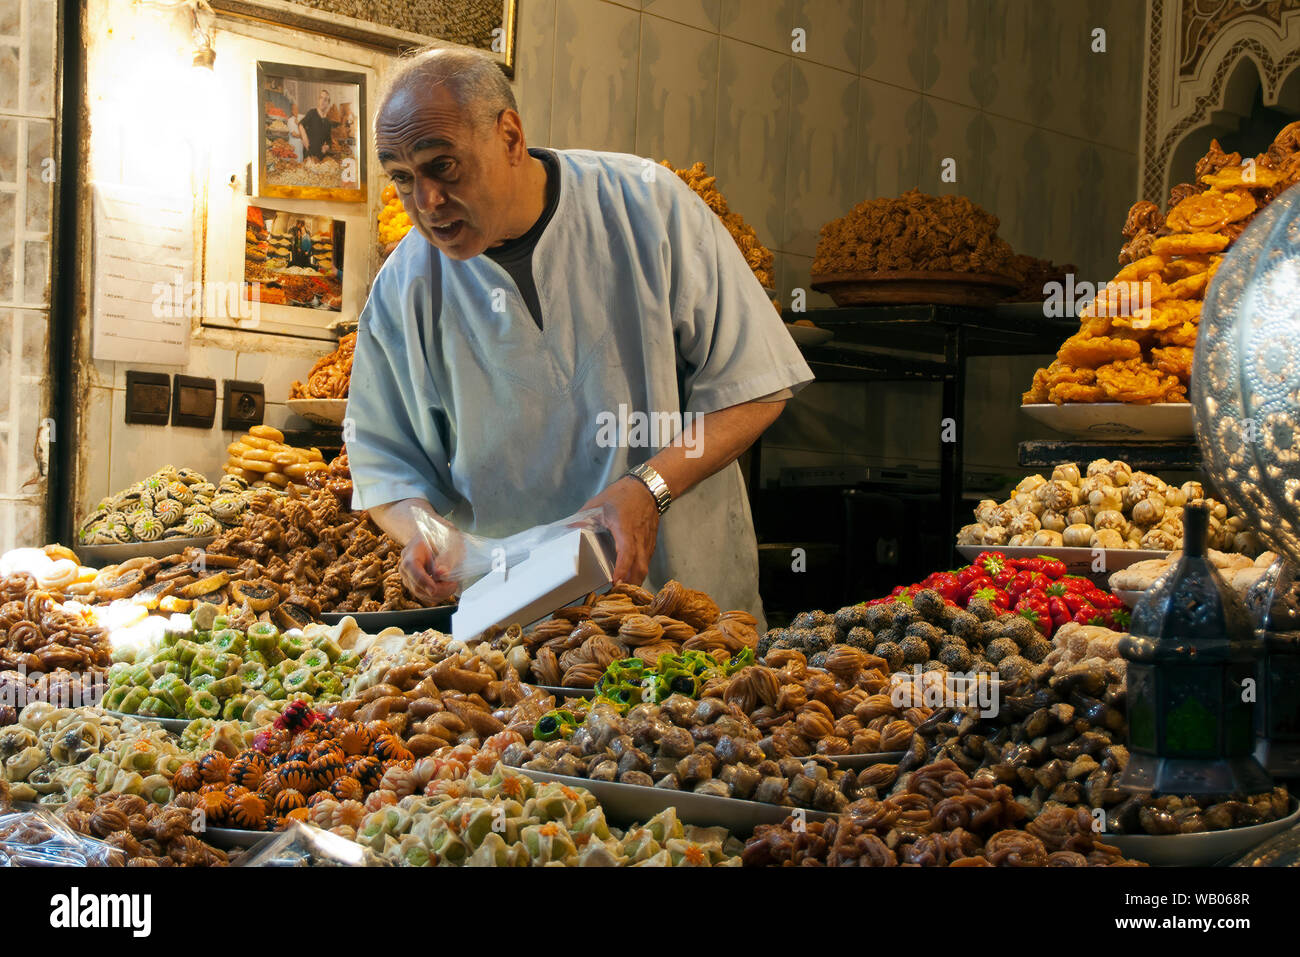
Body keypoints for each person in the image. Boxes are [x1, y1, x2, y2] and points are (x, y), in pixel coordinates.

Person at [347, 47, 812, 626]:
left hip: (687, 610)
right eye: (401, 179)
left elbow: (756, 384)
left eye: (443, 166)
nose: (426, 203)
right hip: (521, 633)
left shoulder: (646, 206)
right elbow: (384, 463)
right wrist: (427, 533)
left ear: (510, 137)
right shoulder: (404, 288)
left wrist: (650, 489)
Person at [298, 88, 333, 162]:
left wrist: (327, 146)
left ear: (328, 103)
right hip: (309, 154)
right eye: (321, 98)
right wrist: (304, 138)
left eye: (325, 99)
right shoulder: (312, 113)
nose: (322, 101)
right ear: (318, 100)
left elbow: (329, 141)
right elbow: (301, 124)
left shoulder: (328, 122)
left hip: (320, 156)